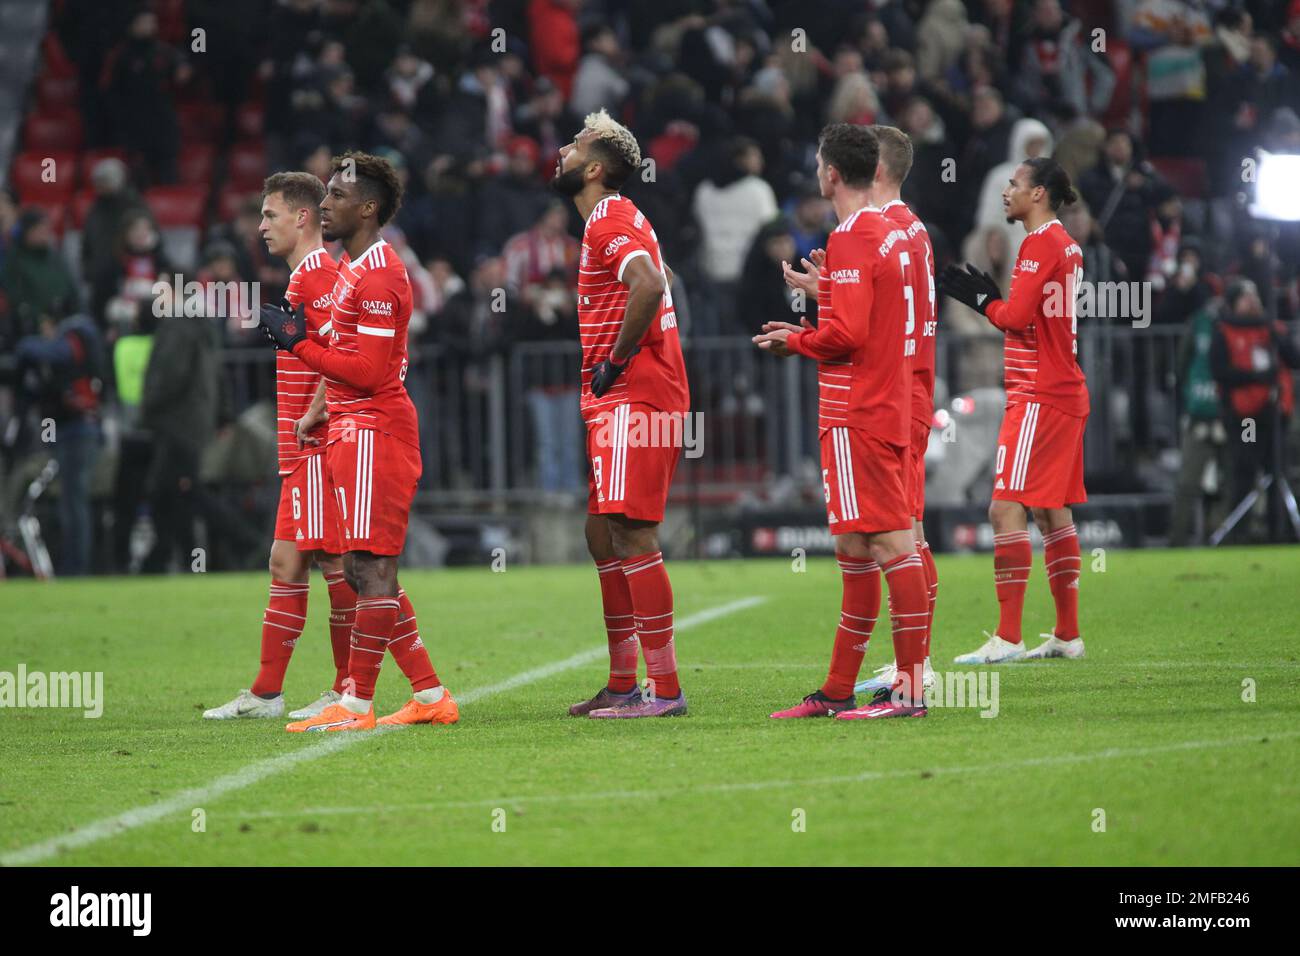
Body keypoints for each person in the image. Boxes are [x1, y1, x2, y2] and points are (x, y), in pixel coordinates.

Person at [259, 152, 456, 731]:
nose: (326, 204)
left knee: (369, 571)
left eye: (339, 196)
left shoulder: (378, 274)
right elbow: (345, 360)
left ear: (367, 208)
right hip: (351, 429)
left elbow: (367, 371)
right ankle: (427, 692)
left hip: (376, 430)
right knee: (361, 571)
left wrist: (298, 344)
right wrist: (316, 404)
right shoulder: (353, 266)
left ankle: (356, 703)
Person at [754, 123, 931, 720]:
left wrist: (796, 340)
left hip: (861, 412)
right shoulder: (890, 233)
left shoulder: (855, 234)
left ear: (831, 174)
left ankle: (908, 691)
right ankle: (836, 690)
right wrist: (828, 289)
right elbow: (874, 315)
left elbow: (850, 335)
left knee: (892, 546)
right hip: (884, 404)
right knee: (855, 549)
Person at [551, 109, 691, 718]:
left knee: (632, 532)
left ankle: (664, 691)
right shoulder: (607, 220)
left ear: (595, 168)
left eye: (574, 145)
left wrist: (613, 360)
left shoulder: (608, 219)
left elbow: (650, 285)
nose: (561, 150)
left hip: (638, 392)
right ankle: (622, 681)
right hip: (621, 393)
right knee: (601, 532)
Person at [204, 172, 349, 721]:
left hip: (317, 447)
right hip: (300, 449)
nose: (261, 226)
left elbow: (343, 351)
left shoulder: (319, 277)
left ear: (303, 217)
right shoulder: (301, 280)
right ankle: (267, 694)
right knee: (286, 562)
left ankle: (347, 688)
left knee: (335, 564)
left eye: (270, 215)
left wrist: (317, 413)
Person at [940, 156, 1089, 663]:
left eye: (1015, 184)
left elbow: (1016, 317)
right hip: (1064, 391)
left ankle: (1007, 636)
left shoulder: (1037, 244)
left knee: (1004, 507)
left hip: (1038, 396)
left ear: (1039, 193)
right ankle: (1067, 634)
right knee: (1051, 512)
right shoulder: (1066, 244)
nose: (1007, 191)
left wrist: (984, 303)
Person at [14, 314, 105, 576]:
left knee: (73, 503)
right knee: (72, 502)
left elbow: (53, 353)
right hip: (77, 431)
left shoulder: (73, 336)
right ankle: (75, 564)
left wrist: (24, 346)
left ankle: (76, 568)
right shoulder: (76, 346)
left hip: (77, 432)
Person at [1210, 278, 1300, 542]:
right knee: (1246, 469)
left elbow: (1294, 358)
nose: (1252, 302)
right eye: (1245, 297)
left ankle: (1279, 531)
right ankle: (1240, 533)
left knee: (1278, 469)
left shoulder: (1271, 329)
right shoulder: (1225, 332)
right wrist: (1258, 376)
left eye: (1254, 296)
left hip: (1275, 412)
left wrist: (1275, 334)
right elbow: (1221, 372)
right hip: (1246, 417)